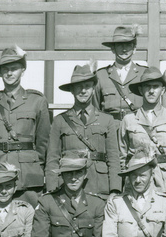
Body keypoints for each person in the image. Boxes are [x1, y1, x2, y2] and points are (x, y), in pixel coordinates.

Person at [0, 46, 51, 207]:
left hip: (26, 172)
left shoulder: (37, 101)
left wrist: (32, 162)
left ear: (22, 70)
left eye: (14, 69)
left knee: (29, 221)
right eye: (5, 69)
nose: (9, 73)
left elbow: (43, 141)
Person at [47, 64, 121, 197]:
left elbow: (113, 159)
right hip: (69, 187)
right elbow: (53, 158)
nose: (83, 91)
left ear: (93, 89)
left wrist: (115, 190)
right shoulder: (60, 121)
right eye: (78, 86)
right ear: (72, 90)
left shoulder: (107, 120)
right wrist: (52, 189)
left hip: (99, 186)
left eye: (87, 86)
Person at [118, 66, 166, 198]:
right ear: (141, 90)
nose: (151, 91)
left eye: (156, 86)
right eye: (147, 87)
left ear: (162, 90)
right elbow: (122, 156)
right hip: (137, 185)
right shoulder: (129, 120)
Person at [94, 24, 146, 121]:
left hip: (137, 128)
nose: (124, 49)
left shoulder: (143, 74)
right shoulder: (101, 76)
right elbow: (95, 109)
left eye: (128, 44)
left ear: (134, 49)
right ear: (113, 49)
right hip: (110, 130)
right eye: (120, 45)